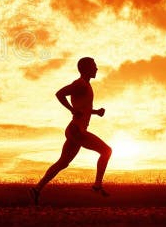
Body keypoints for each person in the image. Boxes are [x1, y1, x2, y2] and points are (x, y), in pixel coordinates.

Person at [30, 57, 112, 205]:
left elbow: (83, 109)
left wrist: (96, 112)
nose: (96, 68)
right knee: (106, 151)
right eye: (94, 66)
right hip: (76, 130)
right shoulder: (80, 84)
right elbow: (60, 93)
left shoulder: (85, 85)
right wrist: (71, 109)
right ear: (86, 68)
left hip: (75, 130)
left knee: (62, 163)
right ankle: (97, 186)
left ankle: (37, 189)